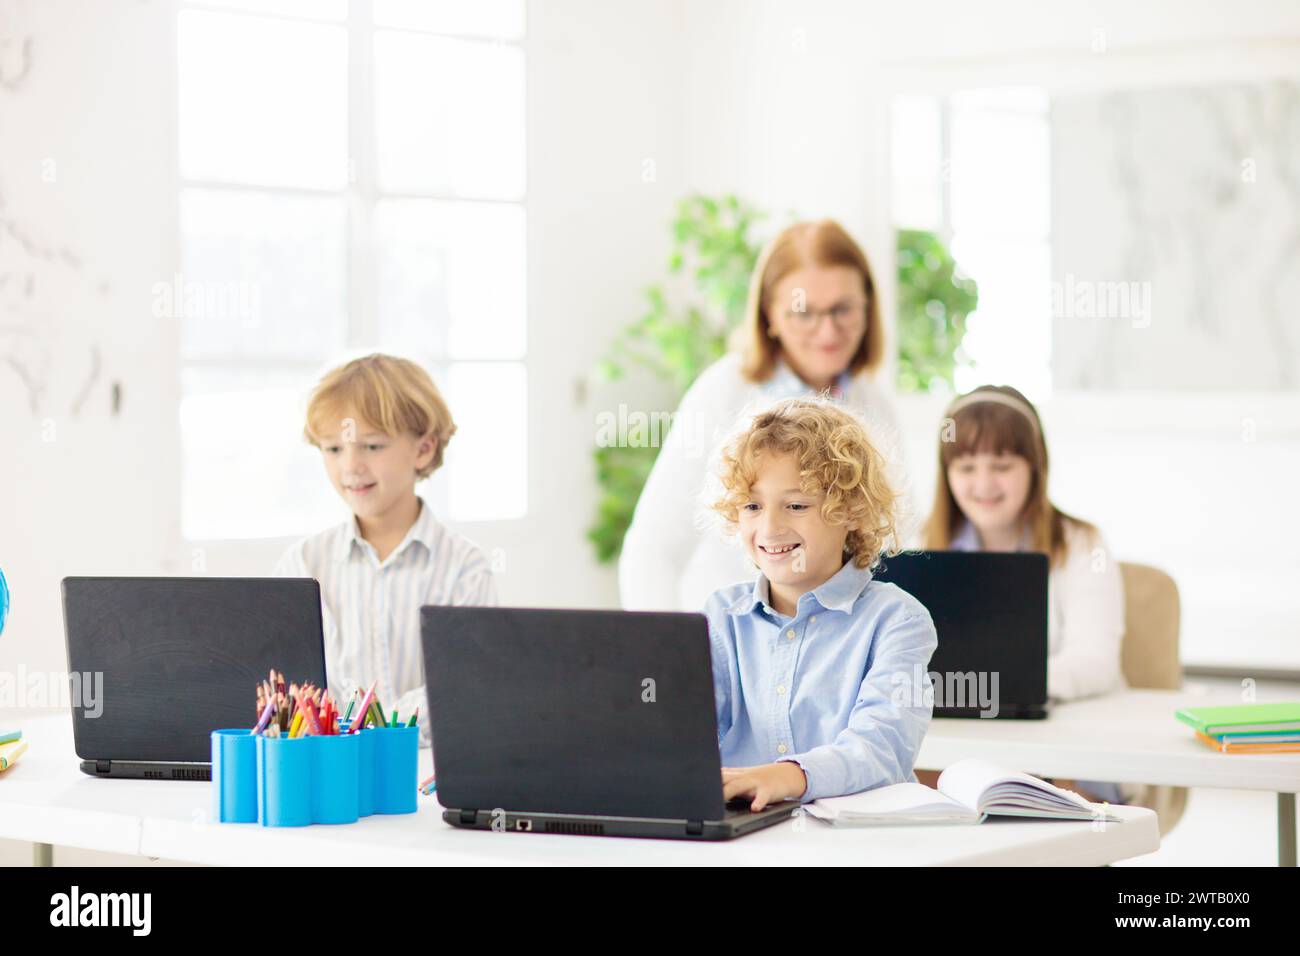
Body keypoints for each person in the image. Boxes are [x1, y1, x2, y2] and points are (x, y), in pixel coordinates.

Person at [620, 219, 905, 612]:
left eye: (842, 310)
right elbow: (653, 547)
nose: (827, 332)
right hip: (727, 648)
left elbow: (893, 535)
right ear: (769, 314)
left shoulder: (872, 403)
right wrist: (668, 659)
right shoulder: (723, 393)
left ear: (868, 307)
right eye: (804, 314)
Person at [702, 397, 936, 809]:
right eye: (752, 506)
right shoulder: (719, 617)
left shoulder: (897, 620)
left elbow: (883, 747)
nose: (770, 527)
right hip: (743, 840)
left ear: (851, 510)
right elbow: (679, 736)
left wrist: (788, 777)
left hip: (857, 844)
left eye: (796, 505)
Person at [273, 354, 497, 747]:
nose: (351, 467)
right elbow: (293, 691)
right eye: (333, 449)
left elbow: (463, 687)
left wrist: (375, 732)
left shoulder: (465, 568)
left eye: (372, 446)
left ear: (423, 450)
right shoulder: (304, 564)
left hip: (428, 775)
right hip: (331, 773)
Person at [922, 384, 1127, 803]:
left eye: (1001, 465)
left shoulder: (1082, 543)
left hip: (1062, 745)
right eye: (965, 468)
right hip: (956, 740)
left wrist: (1006, 687)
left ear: (1034, 467)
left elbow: (1096, 661)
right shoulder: (920, 543)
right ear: (946, 475)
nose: (983, 483)